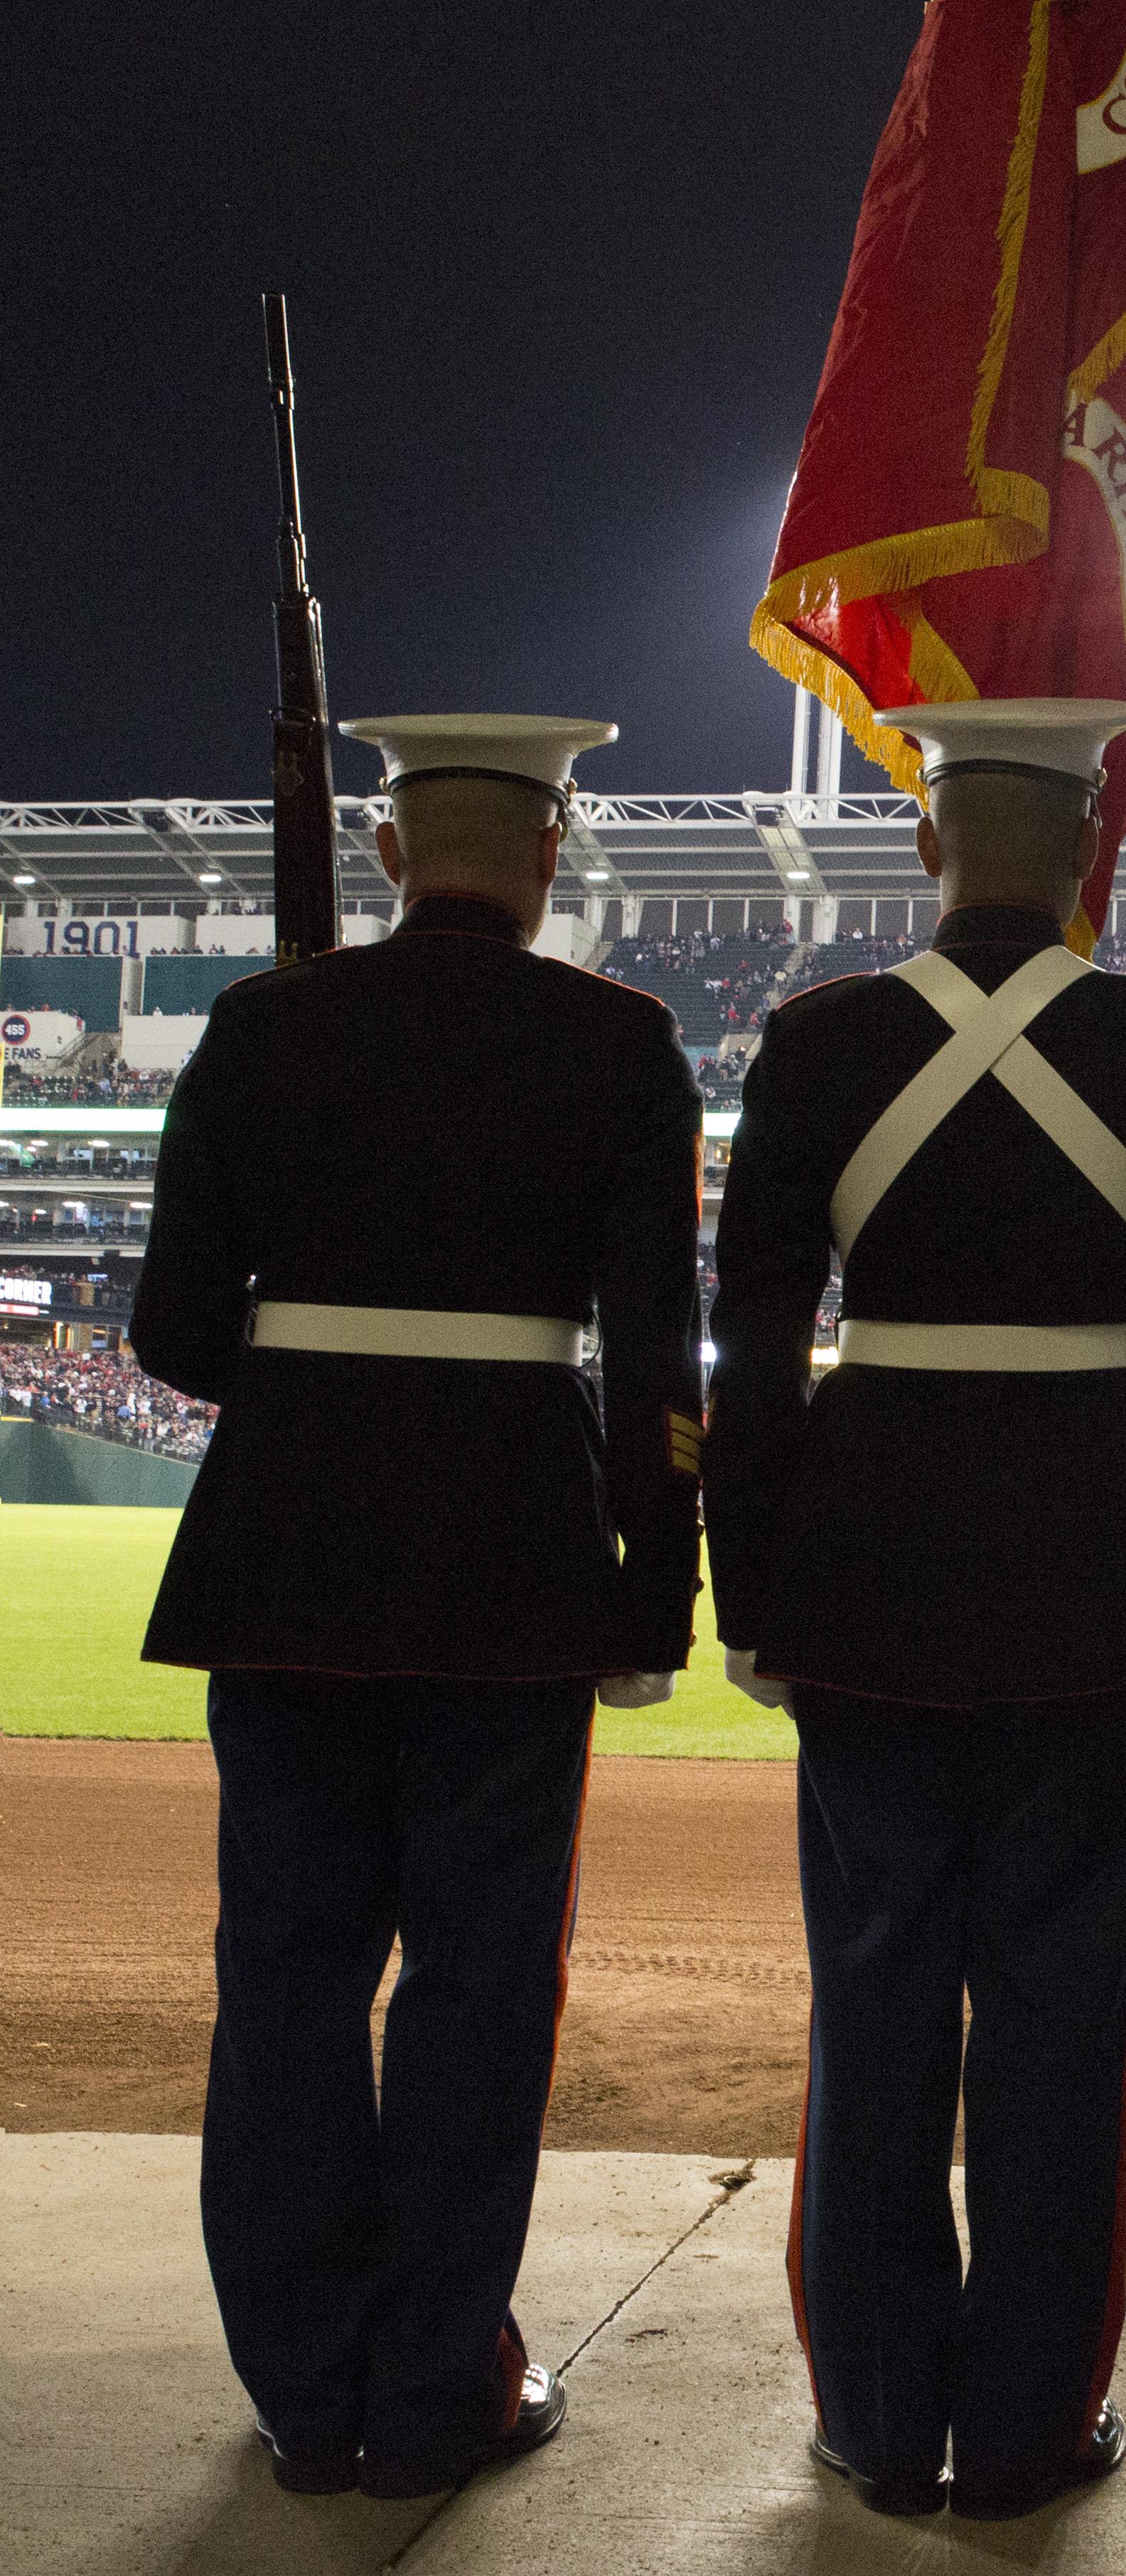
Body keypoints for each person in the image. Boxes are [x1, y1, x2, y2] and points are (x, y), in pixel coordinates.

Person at [132, 714, 704, 2500]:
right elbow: (647, 1353)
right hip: (510, 1568)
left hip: (287, 1555)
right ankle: (438, 2385)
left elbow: (166, 1330)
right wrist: (650, 1588)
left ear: (386, 854)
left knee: (287, 1977)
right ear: (551, 853)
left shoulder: (260, 1025)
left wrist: (320, 1387)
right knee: (476, 1993)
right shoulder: (621, 1046)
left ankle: (308, 2393)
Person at [701, 697, 1126, 2522]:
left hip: (869, 1568)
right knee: (1060, 2012)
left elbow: (757, 1339)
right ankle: (1022, 2430)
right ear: (1087, 855)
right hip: (1102, 1555)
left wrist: (752, 1581)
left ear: (927, 843)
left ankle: (876, 2420)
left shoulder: (818, 1042)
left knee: (873, 2006)